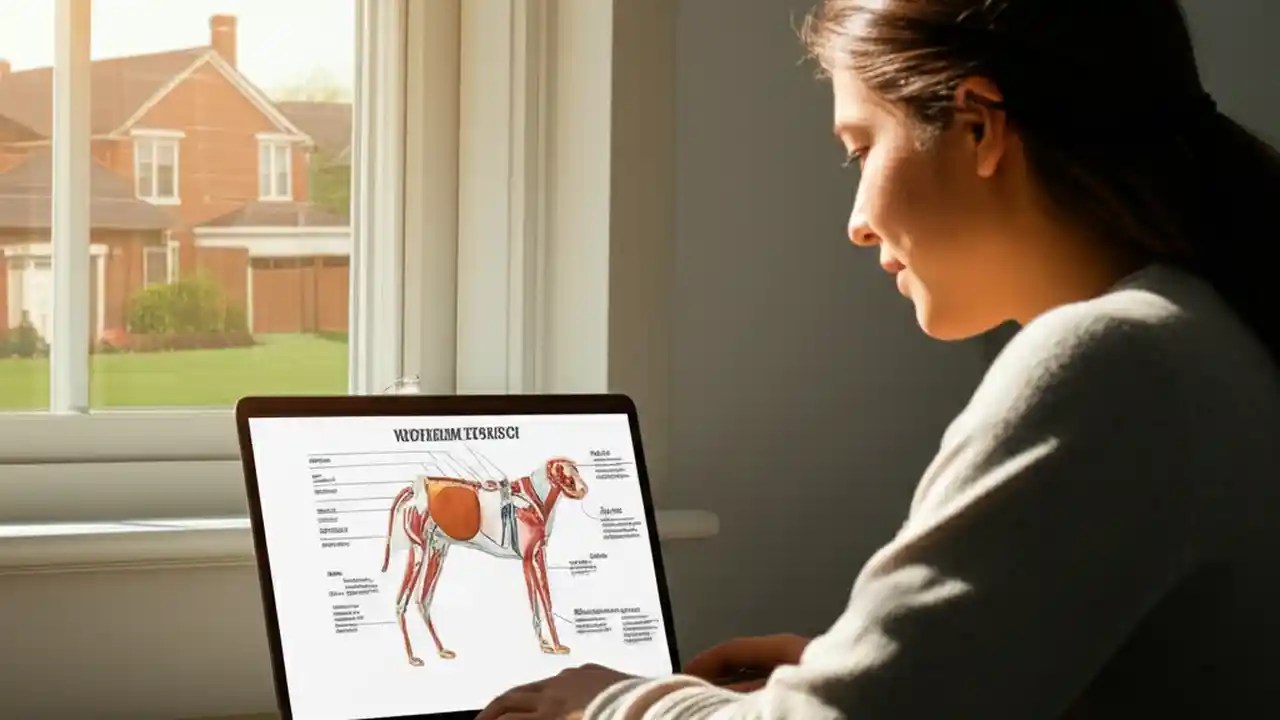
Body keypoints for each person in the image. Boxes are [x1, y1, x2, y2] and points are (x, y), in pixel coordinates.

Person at [478, 0, 1280, 717]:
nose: (859, 222)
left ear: (979, 126)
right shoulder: (1213, 330)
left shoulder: (1114, 362)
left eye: (861, 148)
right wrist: (869, 669)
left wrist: (614, 703)